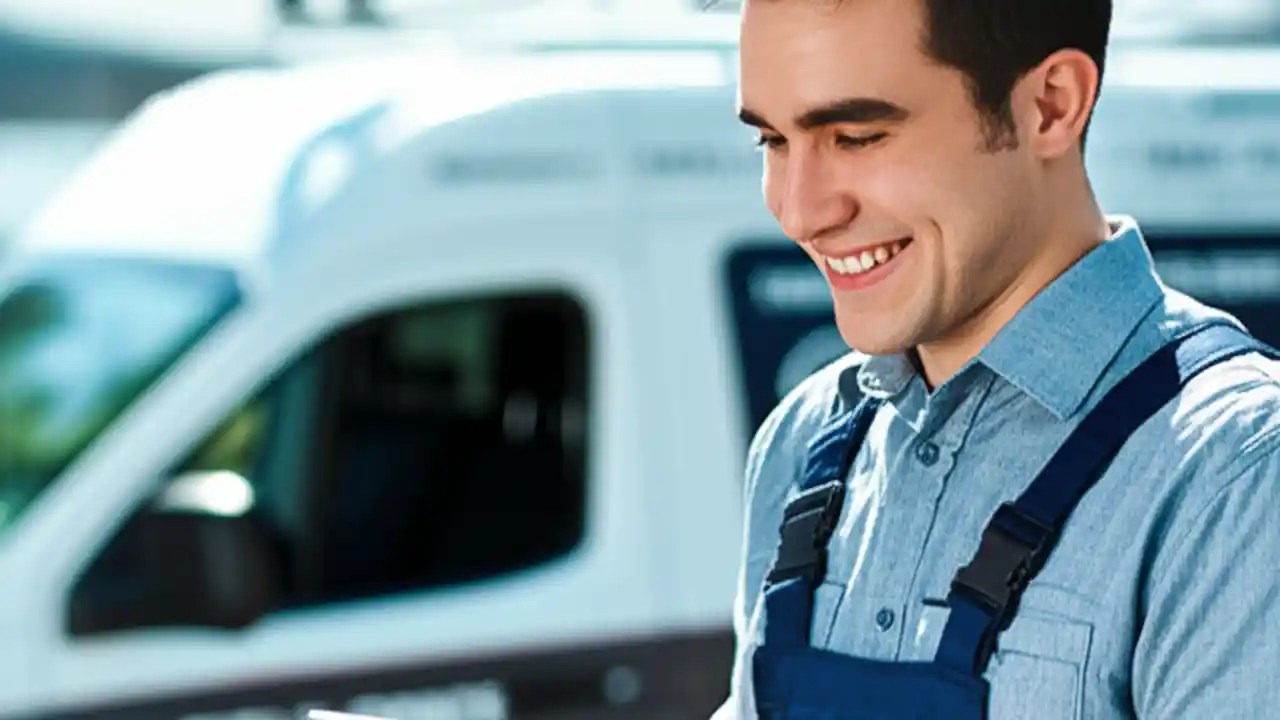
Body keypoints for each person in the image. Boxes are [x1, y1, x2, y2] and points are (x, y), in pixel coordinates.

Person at [713, 0, 1280, 717]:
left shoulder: (1235, 477)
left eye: (857, 137)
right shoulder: (801, 443)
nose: (800, 212)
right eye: (772, 141)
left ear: (1050, 106)